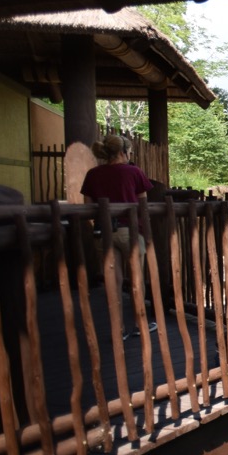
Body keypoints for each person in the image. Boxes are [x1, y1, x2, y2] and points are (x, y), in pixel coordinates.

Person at [81, 134, 154, 337]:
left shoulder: (93, 174)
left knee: (113, 282)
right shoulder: (134, 172)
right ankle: (140, 325)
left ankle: (118, 328)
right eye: (129, 151)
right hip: (130, 233)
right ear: (123, 152)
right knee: (136, 281)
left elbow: (88, 207)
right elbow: (143, 205)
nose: (130, 155)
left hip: (104, 233)